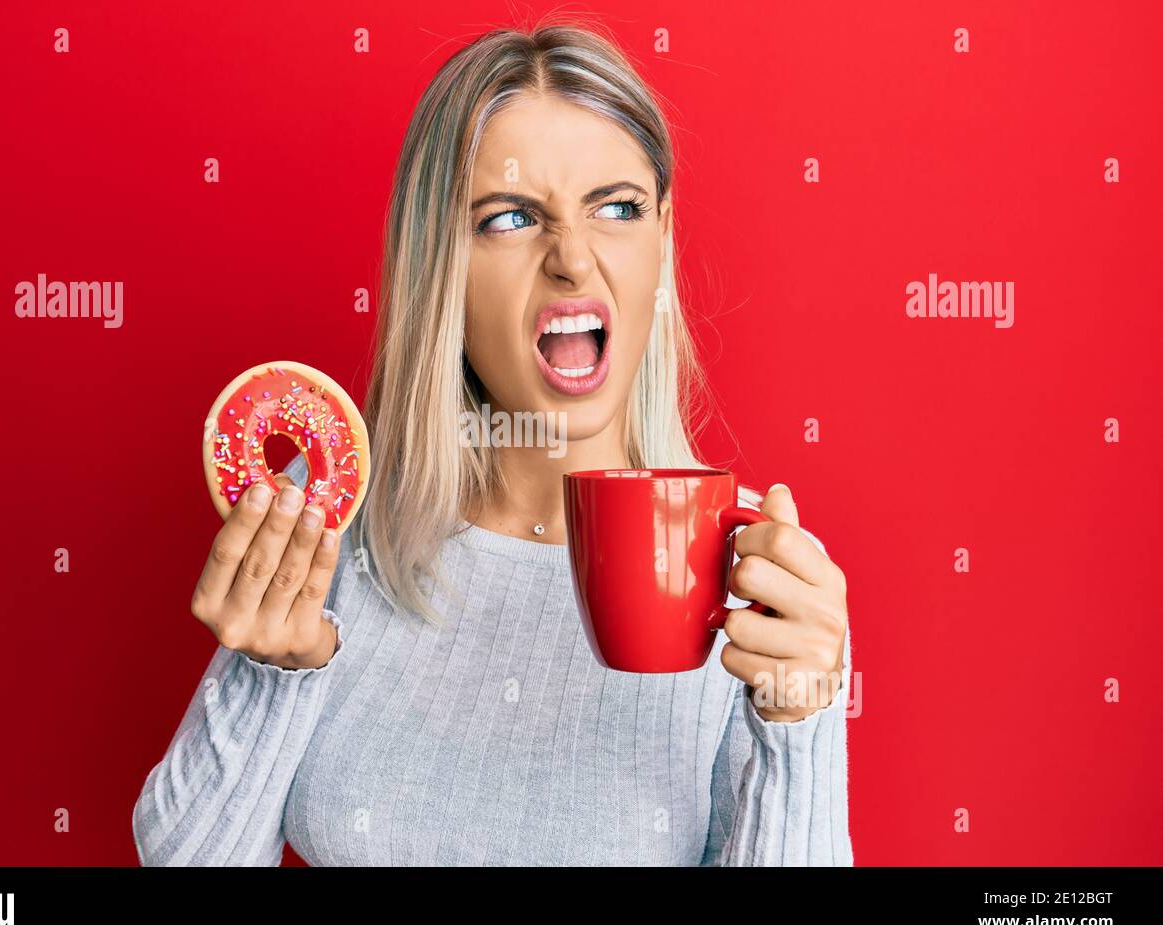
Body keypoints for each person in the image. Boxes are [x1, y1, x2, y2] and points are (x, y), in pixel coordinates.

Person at [132, 20, 853, 866]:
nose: (573, 260)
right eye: (511, 218)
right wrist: (275, 667)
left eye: (617, 208)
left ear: (662, 235)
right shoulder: (334, 514)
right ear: (437, 260)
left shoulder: (761, 584)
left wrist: (798, 721)